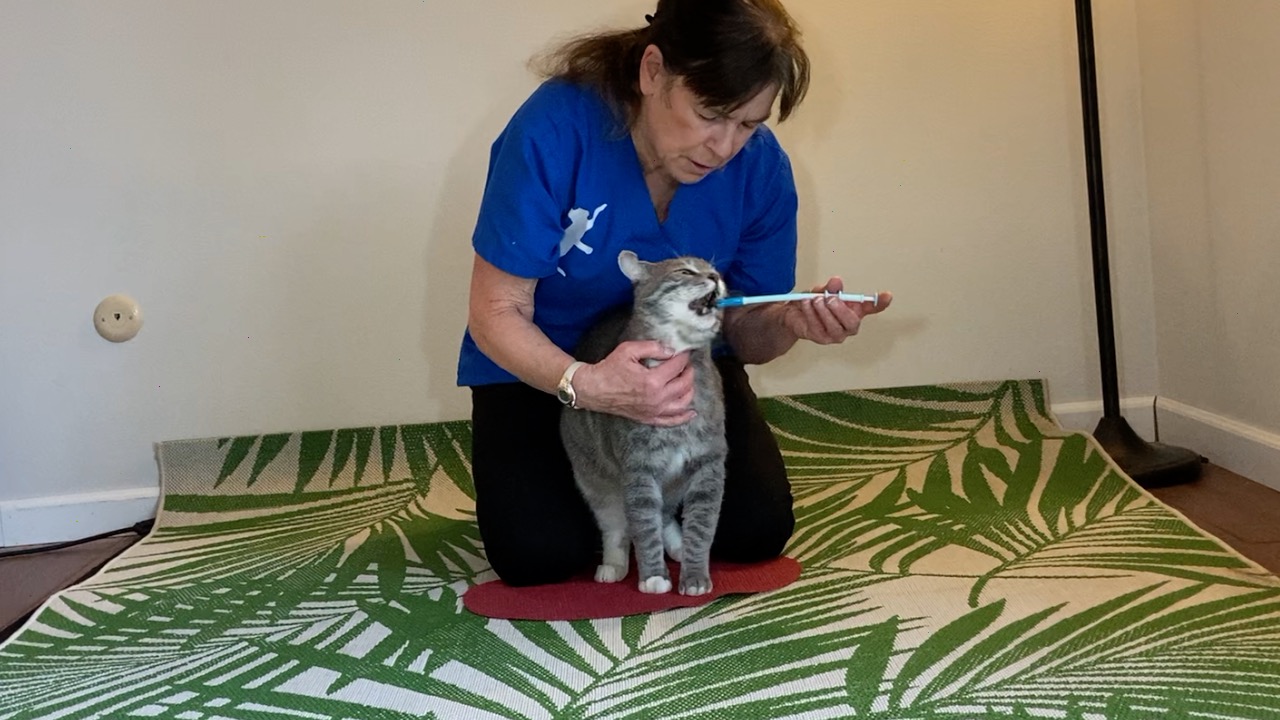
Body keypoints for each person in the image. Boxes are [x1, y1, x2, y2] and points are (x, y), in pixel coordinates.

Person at [457, 0, 892, 586]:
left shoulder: (760, 169)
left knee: (754, 531)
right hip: (545, 371)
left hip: (684, 372)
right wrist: (587, 385)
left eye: (749, 123)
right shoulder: (554, 129)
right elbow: (496, 311)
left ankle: (650, 510)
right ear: (653, 70)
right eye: (711, 114)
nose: (725, 147)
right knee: (540, 556)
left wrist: (790, 321)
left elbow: (746, 335)